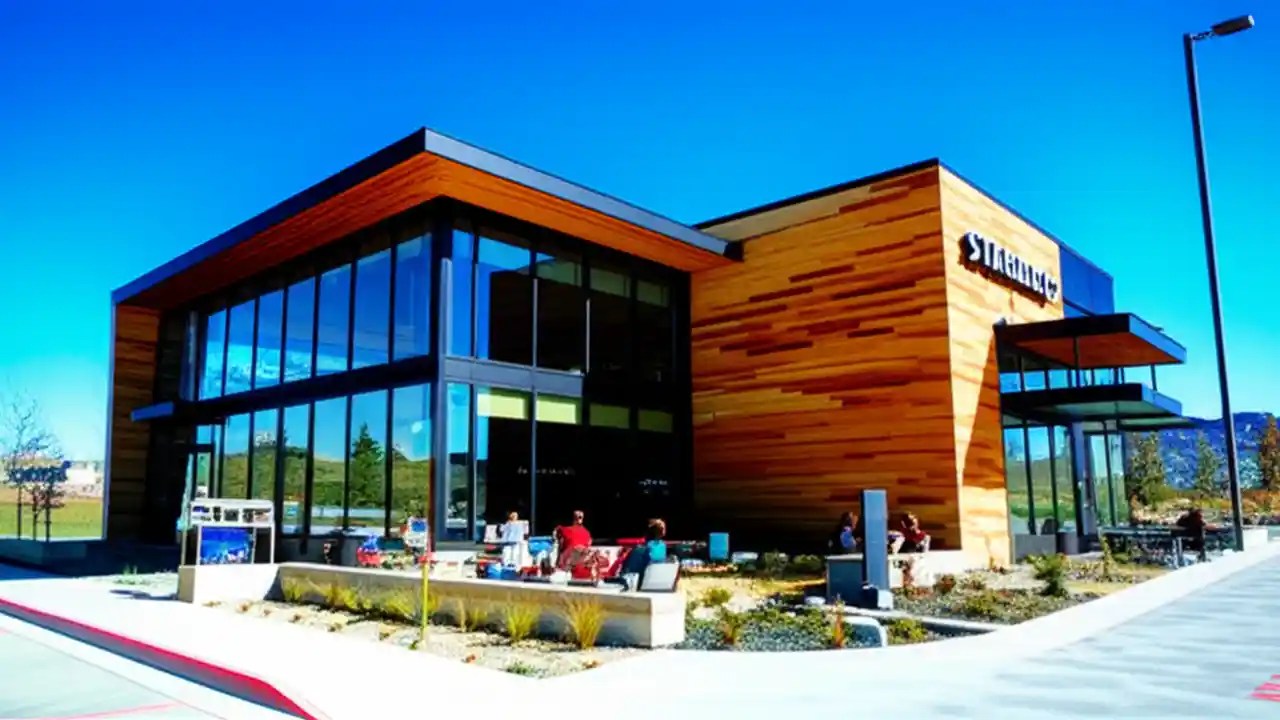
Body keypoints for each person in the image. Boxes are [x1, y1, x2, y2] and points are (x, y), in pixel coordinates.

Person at [620, 518, 668, 584]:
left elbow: (627, 573)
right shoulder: (662, 546)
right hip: (656, 582)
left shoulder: (639, 550)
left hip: (641, 583)